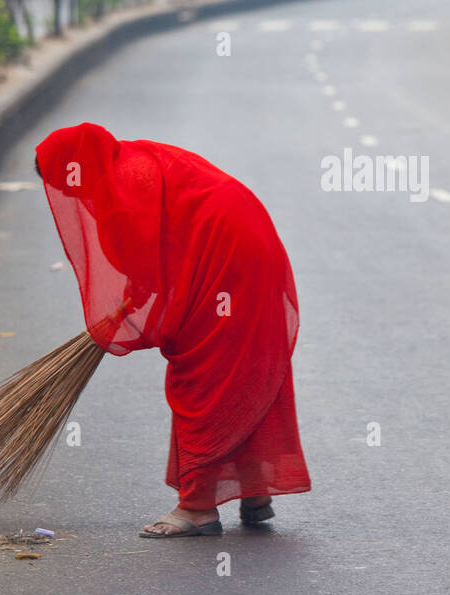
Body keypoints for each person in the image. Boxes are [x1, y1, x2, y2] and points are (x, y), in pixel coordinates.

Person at [34, 123, 312, 537]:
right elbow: (157, 255)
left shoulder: (121, 188)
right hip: (250, 244)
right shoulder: (132, 163)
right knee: (242, 365)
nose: (70, 192)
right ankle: (255, 489)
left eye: (64, 180)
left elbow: (148, 262)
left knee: (204, 377)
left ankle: (197, 507)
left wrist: (132, 305)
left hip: (227, 260)